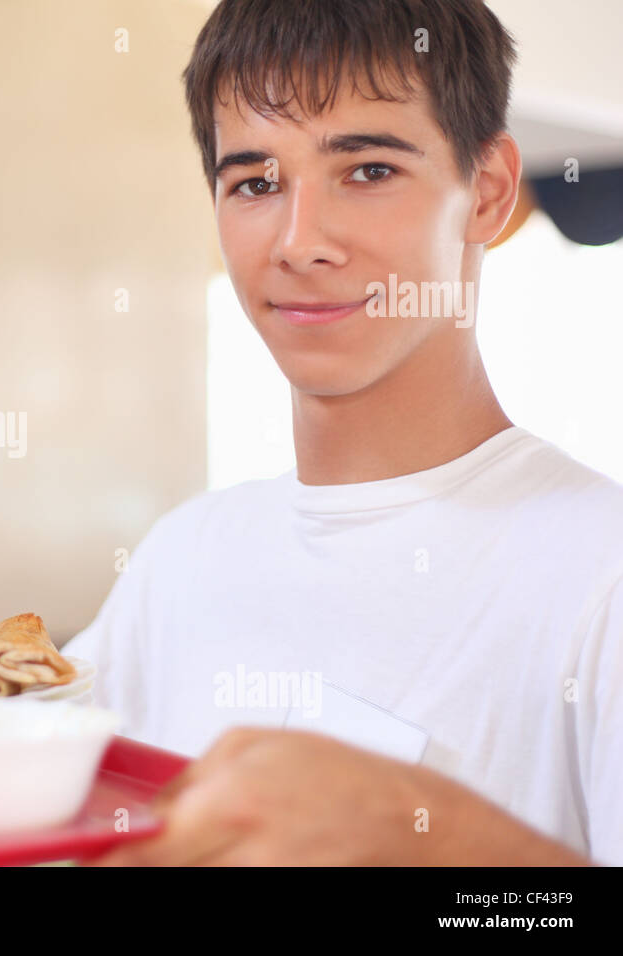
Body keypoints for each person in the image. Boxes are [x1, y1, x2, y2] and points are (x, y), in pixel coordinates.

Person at [70, 0, 623, 865]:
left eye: (367, 170)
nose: (300, 241)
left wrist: (438, 840)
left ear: (487, 190)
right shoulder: (182, 558)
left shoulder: (600, 572)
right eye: (255, 182)